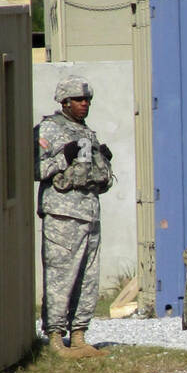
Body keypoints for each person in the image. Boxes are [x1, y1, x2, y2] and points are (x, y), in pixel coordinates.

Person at [35, 75, 114, 358]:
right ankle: (56, 337)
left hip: (89, 214)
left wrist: (103, 161)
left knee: (87, 277)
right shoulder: (49, 129)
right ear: (64, 102)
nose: (85, 104)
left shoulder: (87, 132)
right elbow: (35, 169)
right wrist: (63, 158)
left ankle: (79, 335)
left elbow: (100, 179)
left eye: (88, 100)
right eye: (79, 100)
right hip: (63, 216)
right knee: (60, 276)